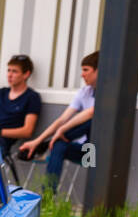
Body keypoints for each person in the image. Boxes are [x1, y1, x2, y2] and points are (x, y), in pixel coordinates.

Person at [19, 51, 97, 188]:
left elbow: (91, 113)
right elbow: (61, 119)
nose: (82, 74)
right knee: (58, 144)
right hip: (87, 154)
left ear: (98, 70)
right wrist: (37, 141)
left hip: (99, 153)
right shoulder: (85, 92)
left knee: (90, 121)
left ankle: (47, 145)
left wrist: (62, 129)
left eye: (86, 70)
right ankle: (48, 197)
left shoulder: (110, 92)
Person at [0, 54, 41, 161]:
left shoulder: (31, 97)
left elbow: (27, 131)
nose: (9, 75)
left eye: (14, 71)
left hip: (2, 142)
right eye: (9, 70)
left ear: (26, 74)